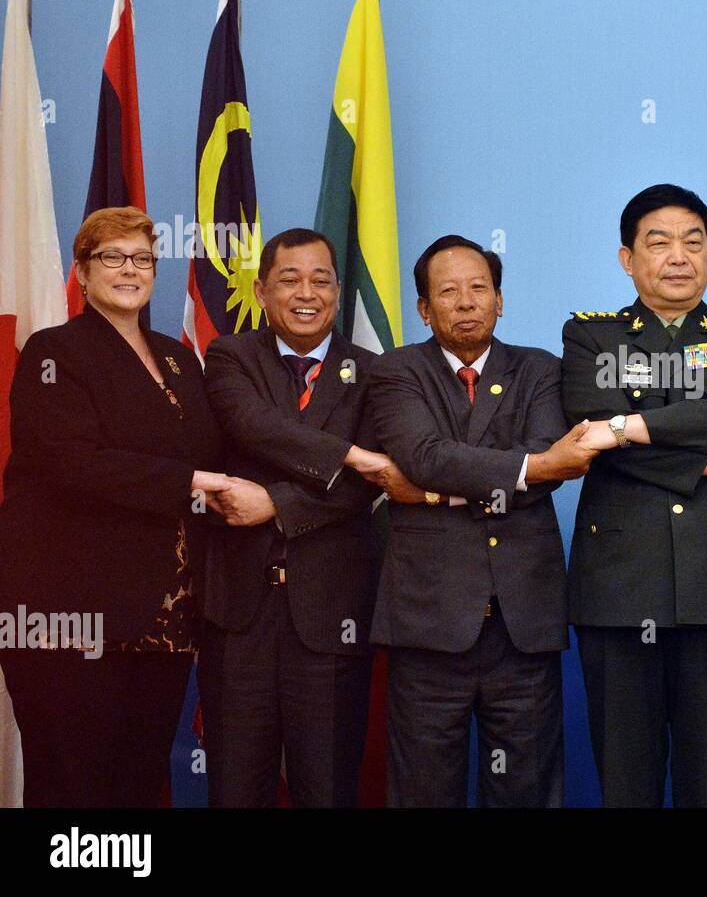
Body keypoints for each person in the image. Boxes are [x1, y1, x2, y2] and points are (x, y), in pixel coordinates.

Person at [0, 206, 226, 807]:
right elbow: (71, 463)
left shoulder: (176, 359)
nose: (130, 269)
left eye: (143, 258)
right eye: (113, 257)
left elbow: (216, 444)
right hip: (69, 617)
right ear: (83, 270)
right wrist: (198, 480)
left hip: (163, 617)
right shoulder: (54, 353)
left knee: (136, 786)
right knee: (74, 787)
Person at [562, 183, 707, 807]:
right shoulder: (589, 337)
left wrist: (630, 425)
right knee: (626, 780)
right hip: (620, 587)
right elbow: (590, 428)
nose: (679, 256)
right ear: (628, 259)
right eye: (659, 243)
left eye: (694, 242)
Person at [366, 235, 600, 807]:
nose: (466, 302)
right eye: (448, 292)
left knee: (525, 787)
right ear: (424, 308)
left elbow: (551, 462)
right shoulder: (397, 370)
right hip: (430, 621)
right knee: (424, 787)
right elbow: (425, 456)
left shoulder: (541, 369)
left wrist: (433, 494)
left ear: (500, 300)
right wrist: (529, 467)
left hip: (522, 622)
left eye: (480, 288)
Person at [198, 227, 395, 807]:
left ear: (338, 290)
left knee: (328, 788)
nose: (306, 292)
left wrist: (274, 504)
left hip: (334, 616)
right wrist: (347, 453)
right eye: (289, 279)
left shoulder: (373, 371)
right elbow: (252, 425)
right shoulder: (230, 355)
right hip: (240, 616)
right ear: (261, 291)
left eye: (321, 279)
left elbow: (365, 487)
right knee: (236, 789)